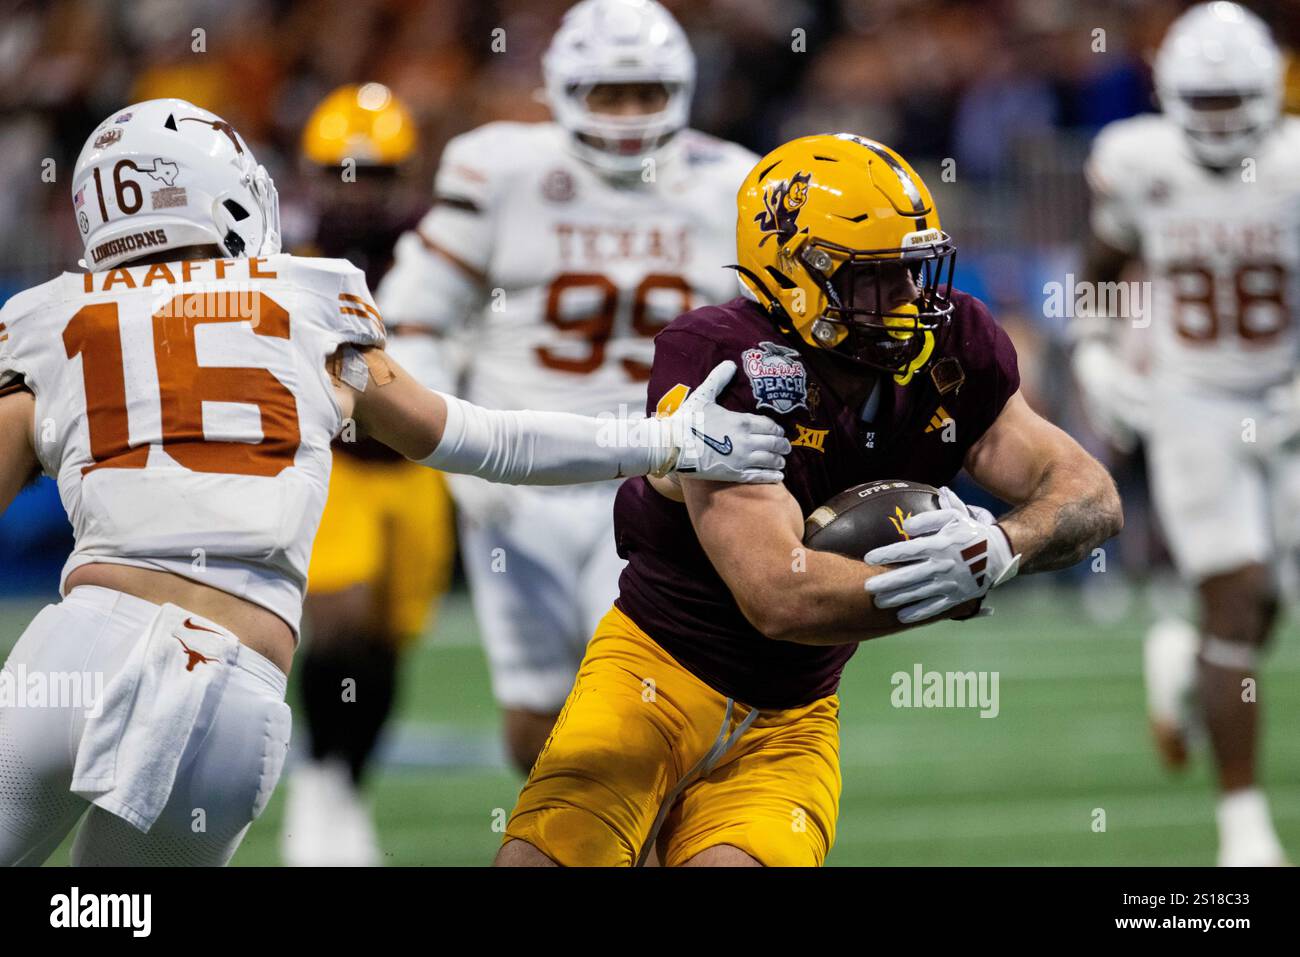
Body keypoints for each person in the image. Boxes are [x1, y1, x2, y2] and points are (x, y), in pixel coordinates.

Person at [0, 97, 788, 866]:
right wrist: (660, 439)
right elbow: (487, 438)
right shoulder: (305, 303)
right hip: (234, 693)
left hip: (82, 648)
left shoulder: (46, 317)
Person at [496, 132, 1123, 867]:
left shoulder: (952, 348)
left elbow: (1091, 493)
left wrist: (999, 550)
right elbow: (779, 595)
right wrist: (937, 583)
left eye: (914, 272)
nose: (911, 299)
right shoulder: (724, 360)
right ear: (795, 273)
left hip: (792, 719)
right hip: (652, 680)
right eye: (877, 279)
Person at [376, 0, 759, 772]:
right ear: (561, 91)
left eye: (645, 92)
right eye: (606, 94)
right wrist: (456, 441)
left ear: (681, 89)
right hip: (522, 475)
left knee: (641, 709)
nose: (626, 114)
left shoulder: (734, 183)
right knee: (535, 721)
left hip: (662, 477)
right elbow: (411, 320)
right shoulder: (502, 168)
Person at [1073, 1, 1298, 866]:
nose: (1214, 120)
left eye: (1228, 99)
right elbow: (1099, 265)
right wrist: (1092, 351)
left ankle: (1186, 662)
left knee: (1266, 599)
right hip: (1193, 403)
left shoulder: (1293, 165)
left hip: (1288, 395)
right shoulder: (1141, 161)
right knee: (1237, 593)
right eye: (1198, 101)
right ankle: (1244, 828)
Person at [280, 83, 457, 867]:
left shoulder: (436, 243)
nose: (359, 192)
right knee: (340, 620)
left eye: (376, 175)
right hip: (335, 459)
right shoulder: (282, 244)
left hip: (418, 463)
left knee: (386, 640)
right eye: (344, 173)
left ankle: (346, 787)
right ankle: (319, 778)